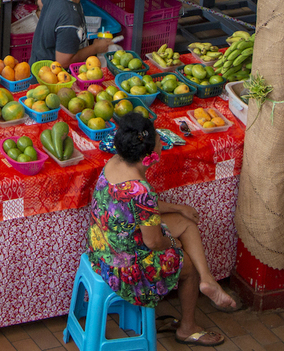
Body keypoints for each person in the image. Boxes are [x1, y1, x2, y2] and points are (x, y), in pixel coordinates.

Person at [87, 116, 242, 347]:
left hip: (104, 249)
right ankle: (188, 328)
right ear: (149, 152)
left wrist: (179, 208)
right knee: (187, 264)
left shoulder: (114, 164)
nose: (162, 139)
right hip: (123, 269)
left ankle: (208, 280)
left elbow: (138, 207)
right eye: (159, 137)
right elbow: (154, 242)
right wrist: (172, 243)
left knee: (185, 222)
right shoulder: (142, 191)